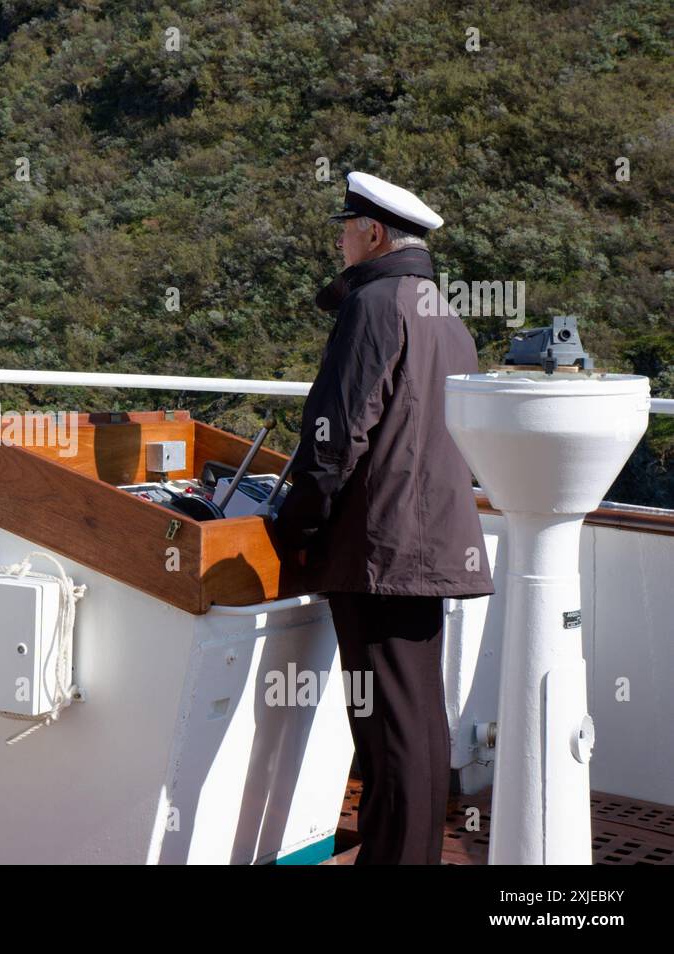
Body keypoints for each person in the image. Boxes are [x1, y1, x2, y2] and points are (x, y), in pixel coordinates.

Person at [274, 171, 494, 864]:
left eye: (345, 227)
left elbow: (336, 435)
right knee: (418, 717)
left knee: (386, 728)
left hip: (380, 549)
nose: (339, 240)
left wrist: (298, 527)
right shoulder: (441, 310)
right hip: (428, 542)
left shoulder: (373, 306)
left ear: (372, 234)